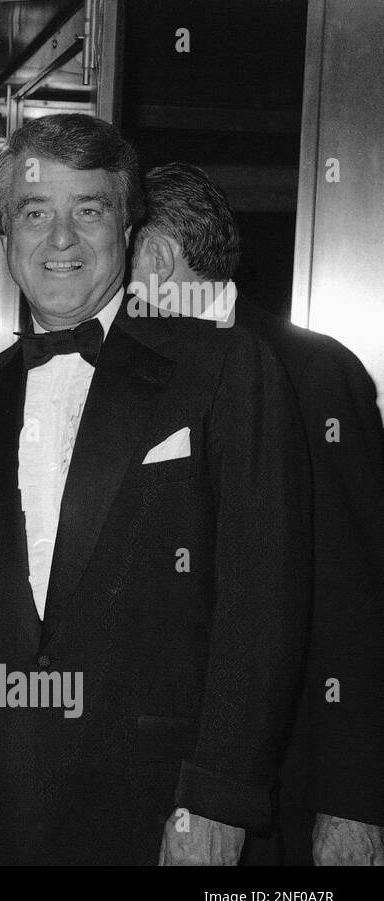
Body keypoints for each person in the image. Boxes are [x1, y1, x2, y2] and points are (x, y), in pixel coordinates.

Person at [0, 113, 310, 865]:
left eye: (88, 209)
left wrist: (217, 798)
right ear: (5, 238)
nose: (60, 238)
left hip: (168, 808)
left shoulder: (224, 366)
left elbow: (263, 599)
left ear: (127, 228)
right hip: (19, 812)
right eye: (35, 212)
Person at [130, 162, 384, 865]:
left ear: (153, 256)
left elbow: (353, 597)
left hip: (281, 791)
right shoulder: (127, 371)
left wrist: (354, 803)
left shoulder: (313, 371)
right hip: (151, 783)